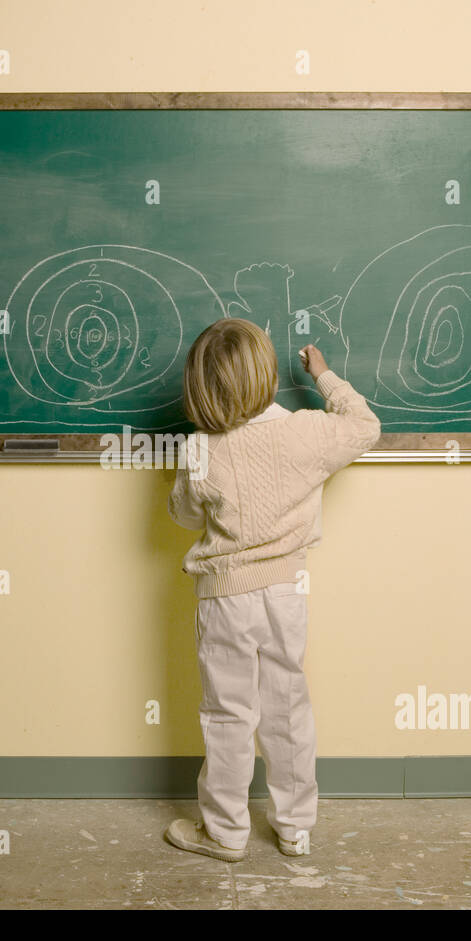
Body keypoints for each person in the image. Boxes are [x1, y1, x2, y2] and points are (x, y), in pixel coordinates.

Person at [164, 317, 381, 861]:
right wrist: (325, 377)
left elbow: (185, 516)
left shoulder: (200, 451)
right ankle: (294, 827)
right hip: (286, 592)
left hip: (224, 598)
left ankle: (226, 832)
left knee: (227, 715)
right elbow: (364, 425)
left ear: (201, 387)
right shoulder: (307, 431)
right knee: (287, 708)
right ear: (265, 373)